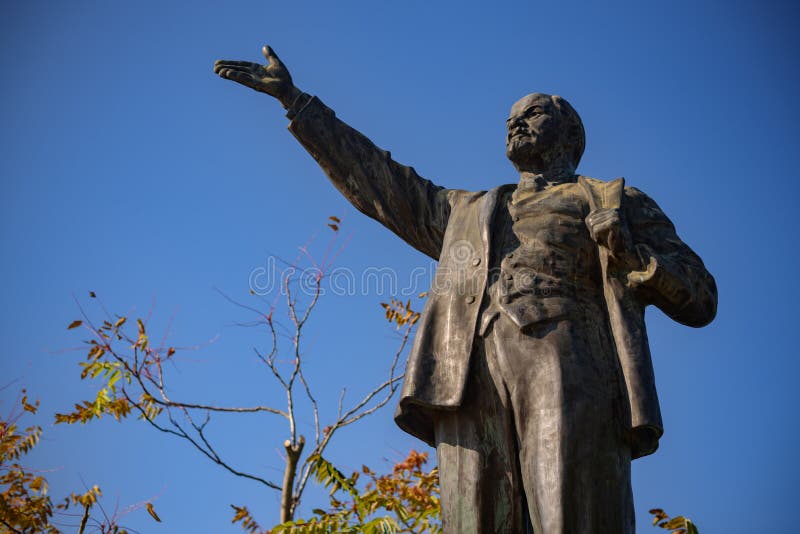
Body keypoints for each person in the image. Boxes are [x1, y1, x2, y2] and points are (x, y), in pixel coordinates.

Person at [214, 46, 717, 533]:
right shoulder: (469, 210)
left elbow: (700, 296)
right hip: (467, 372)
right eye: (509, 118)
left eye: (533, 113)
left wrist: (631, 253)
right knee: (471, 519)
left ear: (569, 133)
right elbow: (382, 183)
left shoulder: (613, 198)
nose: (514, 123)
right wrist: (298, 104)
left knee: (571, 511)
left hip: (570, 359)